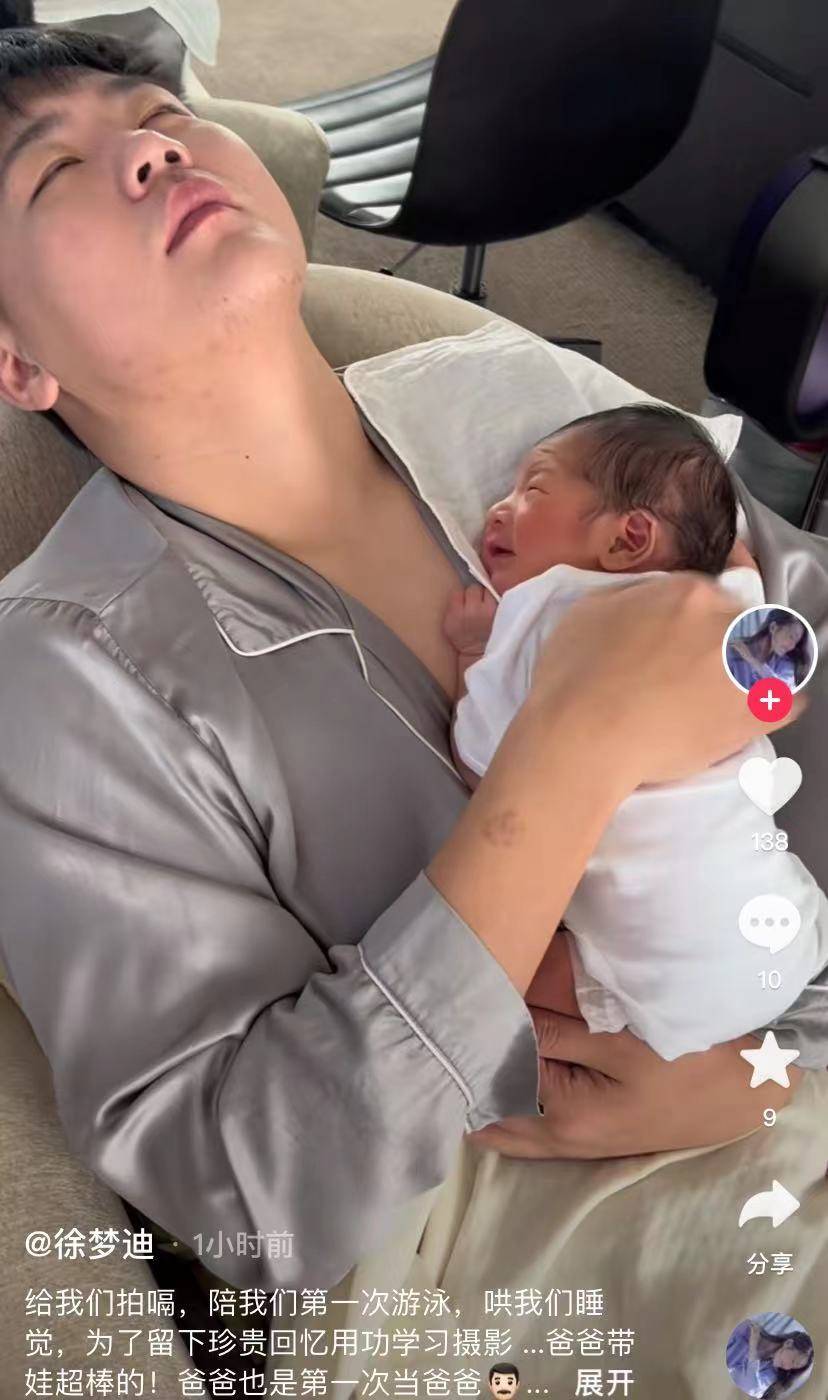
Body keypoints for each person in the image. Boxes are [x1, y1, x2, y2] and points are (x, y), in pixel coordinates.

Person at [0, 25, 823, 1302]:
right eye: (55, 170)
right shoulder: (66, 675)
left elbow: (797, 639)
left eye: (158, 112)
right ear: (16, 360)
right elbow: (254, 1197)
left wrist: (773, 1071)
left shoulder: (515, 396)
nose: (154, 151)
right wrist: (570, 751)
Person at [444, 405, 828, 1060]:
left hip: (660, 972)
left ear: (629, 539)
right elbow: (743, 572)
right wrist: (703, 531)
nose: (497, 510)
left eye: (532, 489)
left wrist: (472, 652)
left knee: (486, 977)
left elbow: (489, 770)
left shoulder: (545, 613)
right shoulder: (723, 609)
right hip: (789, 932)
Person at [726, 609, 812, 691]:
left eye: (796, 642)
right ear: (773, 627)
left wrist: (752, 660)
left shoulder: (785, 663)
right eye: (791, 637)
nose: (792, 646)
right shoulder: (731, 653)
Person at [726, 1319, 814, 1397]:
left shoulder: (771, 1374)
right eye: (793, 1361)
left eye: (793, 1368)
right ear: (788, 1343)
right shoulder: (745, 1330)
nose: (787, 1367)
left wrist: (753, 1347)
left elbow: (750, 1387)